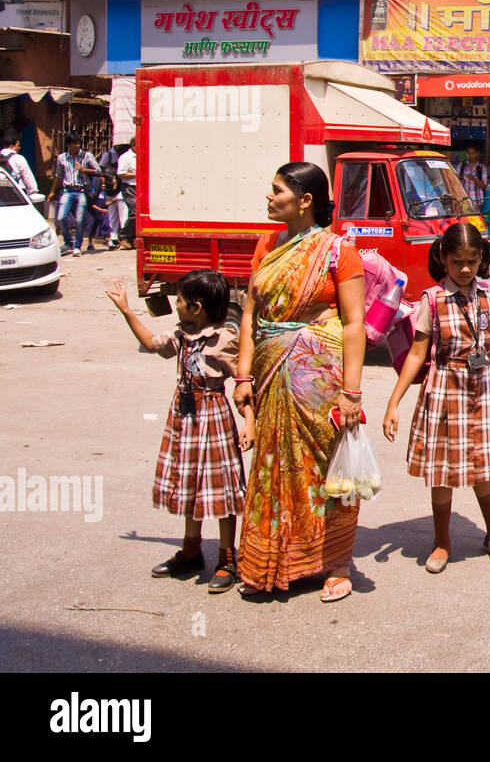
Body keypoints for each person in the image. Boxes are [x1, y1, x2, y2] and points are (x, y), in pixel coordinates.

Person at [232, 162, 366, 603]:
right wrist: (243, 373)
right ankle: (277, 560)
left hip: (320, 385)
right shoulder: (267, 245)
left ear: (305, 200)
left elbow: (353, 324)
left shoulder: (337, 251)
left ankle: (336, 562)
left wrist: (351, 392)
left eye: (277, 191)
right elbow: (251, 313)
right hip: (271, 376)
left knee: (325, 469)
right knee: (275, 468)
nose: (268, 198)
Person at [105, 271, 253, 594]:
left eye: (181, 300)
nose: (177, 305)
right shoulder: (180, 336)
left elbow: (244, 383)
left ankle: (228, 558)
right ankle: (191, 551)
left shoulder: (223, 342)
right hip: (184, 422)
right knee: (190, 487)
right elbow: (149, 342)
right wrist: (127, 311)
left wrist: (249, 421)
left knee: (221, 491)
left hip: (213, 421)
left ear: (197, 307)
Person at [383, 222, 490, 573]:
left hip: (482, 391)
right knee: (441, 472)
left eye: (473, 260)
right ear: (443, 258)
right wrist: (394, 402)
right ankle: (442, 542)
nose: (466, 269)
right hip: (443, 391)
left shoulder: (488, 296)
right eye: (458, 262)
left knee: (483, 468)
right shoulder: (431, 300)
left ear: (482, 259)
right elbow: (416, 354)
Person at [53, 134, 100, 257]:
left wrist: (84, 169)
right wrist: (53, 191)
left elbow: (99, 171)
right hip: (67, 190)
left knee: (80, 220)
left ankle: (77, 246)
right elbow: (58, 176)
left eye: (79, 143)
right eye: (75, 143)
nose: (77, 146)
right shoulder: (62, 158)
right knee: (60, 218)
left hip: (81, 191)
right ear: (68, 145)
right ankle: (68, 242)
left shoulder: (86, 156)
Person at [98, 143, 127, 250]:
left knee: (123, 213)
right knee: (112, 215)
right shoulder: (108, 155)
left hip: (121, 187)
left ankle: (122, 236)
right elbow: (101, 169)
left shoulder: (123, 154)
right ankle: (114, 237)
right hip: (111, 188)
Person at [1, 130, 37, 197]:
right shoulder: (18, 158)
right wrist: (33, 192)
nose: (19, 148)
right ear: (12, 146)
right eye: (18, 145)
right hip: (16, 194)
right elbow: (28, 177)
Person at [117, 137, 137, 248]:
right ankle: (123, 235)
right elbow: (120, 173)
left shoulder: (141, 155)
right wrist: (136, 174)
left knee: (139, 214)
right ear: (133, 145)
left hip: (140, 187)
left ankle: (132, 238)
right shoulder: (126, 157)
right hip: (129, 187)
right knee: (135, 212)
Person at [456, 143, 488, 211]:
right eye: (469, 153)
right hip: (463, 201)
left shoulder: (481, 167)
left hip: (477, 201)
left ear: (477, 154)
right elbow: (455, 182)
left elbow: (484, 186)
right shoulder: (461, 166)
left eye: (472, 153)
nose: (470, 155)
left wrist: (474, 179)